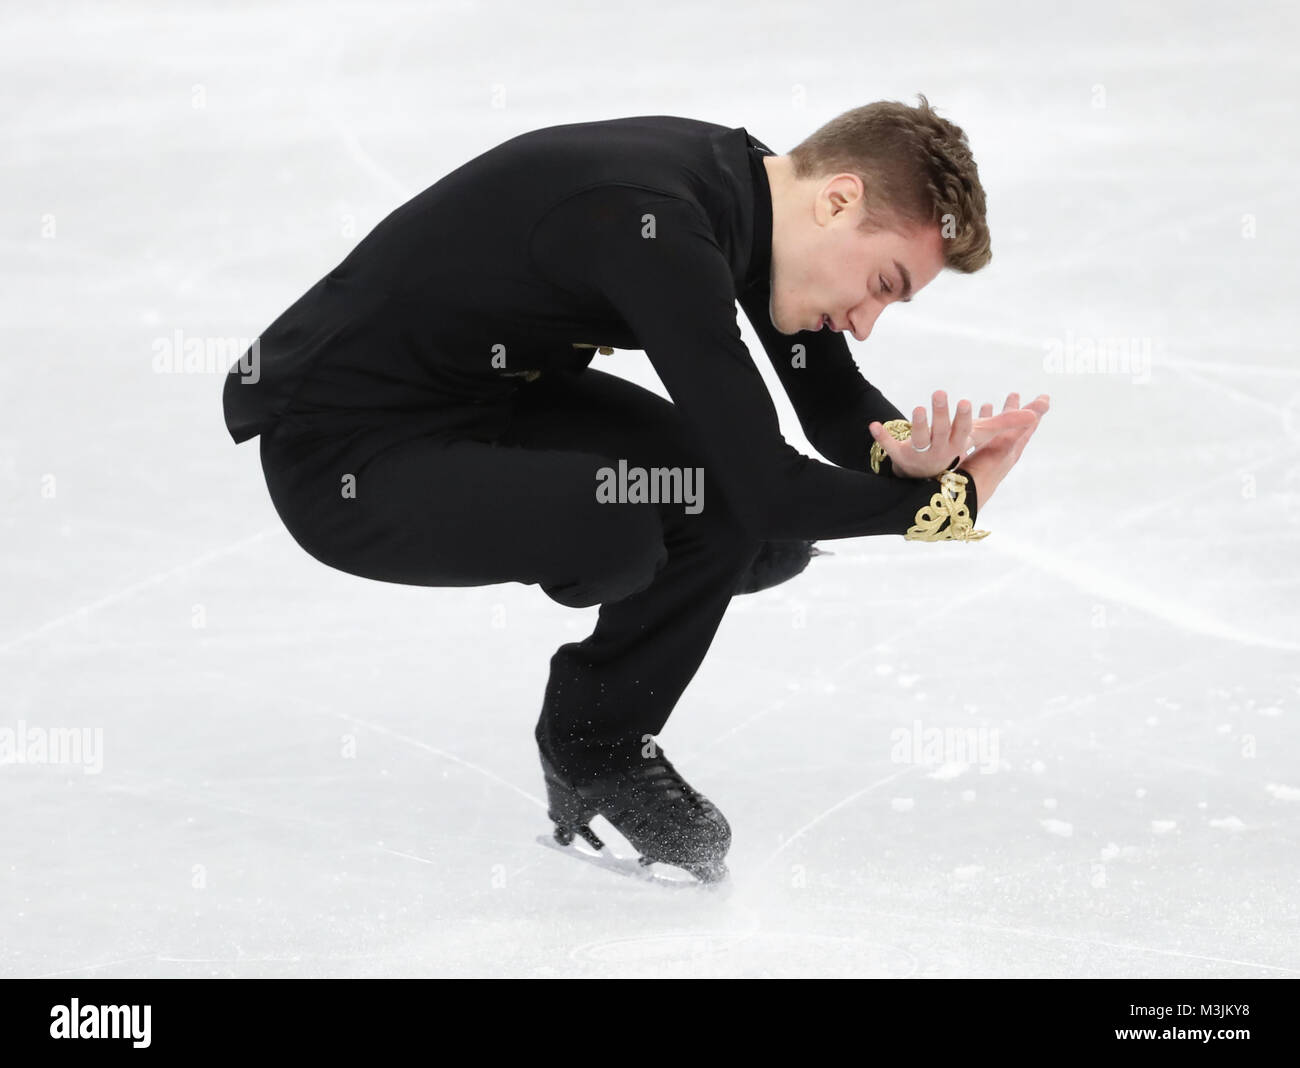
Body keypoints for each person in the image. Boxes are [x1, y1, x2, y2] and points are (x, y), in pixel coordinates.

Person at [222, 95, 1048, 883]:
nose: (867, 321)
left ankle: (596, 743)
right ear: (839, 201)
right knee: (631, 516)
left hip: (490, 401)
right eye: (883, 284)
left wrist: (908, 456)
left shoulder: (759, 198)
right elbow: (765, 481)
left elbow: (828, 402)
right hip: (347, 456)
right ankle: (595, 742)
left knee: (732, 521)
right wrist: (946, 509)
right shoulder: (654, 223)